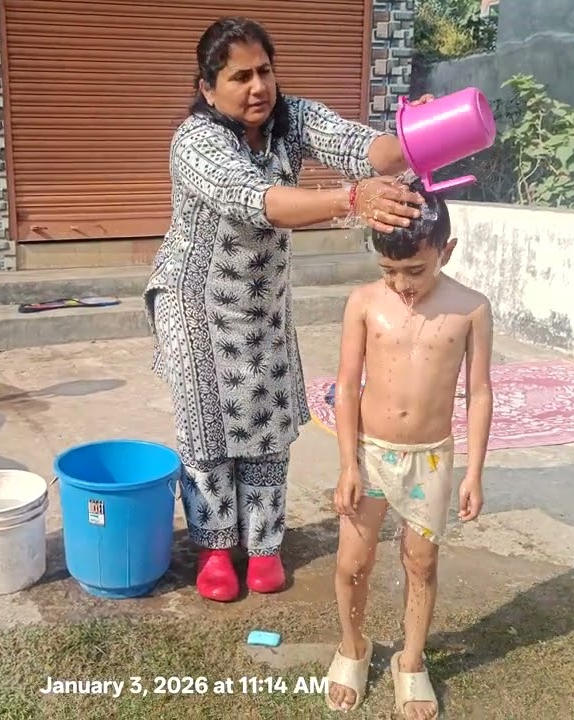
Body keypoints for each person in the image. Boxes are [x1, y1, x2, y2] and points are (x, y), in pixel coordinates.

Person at [143, 15, 437, 603]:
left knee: (269, 423)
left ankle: (264, 546)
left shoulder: (292, 119)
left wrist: (417, 139)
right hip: (192, 300)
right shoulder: (196, 142)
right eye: (240, 77)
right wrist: (353, 200)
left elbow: (360, 146)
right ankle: (216, 549)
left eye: (266, 71)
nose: (258, 87)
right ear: (208, 88)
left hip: (261, 302)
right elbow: (256, 200)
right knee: (207, 428)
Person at [323, 188, 494, 718]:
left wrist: (474, 472)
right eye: (389, 270)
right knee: (353, 561)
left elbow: (480, 392)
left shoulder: (471, 308)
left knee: (421, 563)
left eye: (415, 270)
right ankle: (353, 647)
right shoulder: (365, 303)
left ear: (448, 250)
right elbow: (347, 386)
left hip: (431, 460)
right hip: (371, 455)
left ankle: (411, 660)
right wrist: (348, 464)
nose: (403, 285)